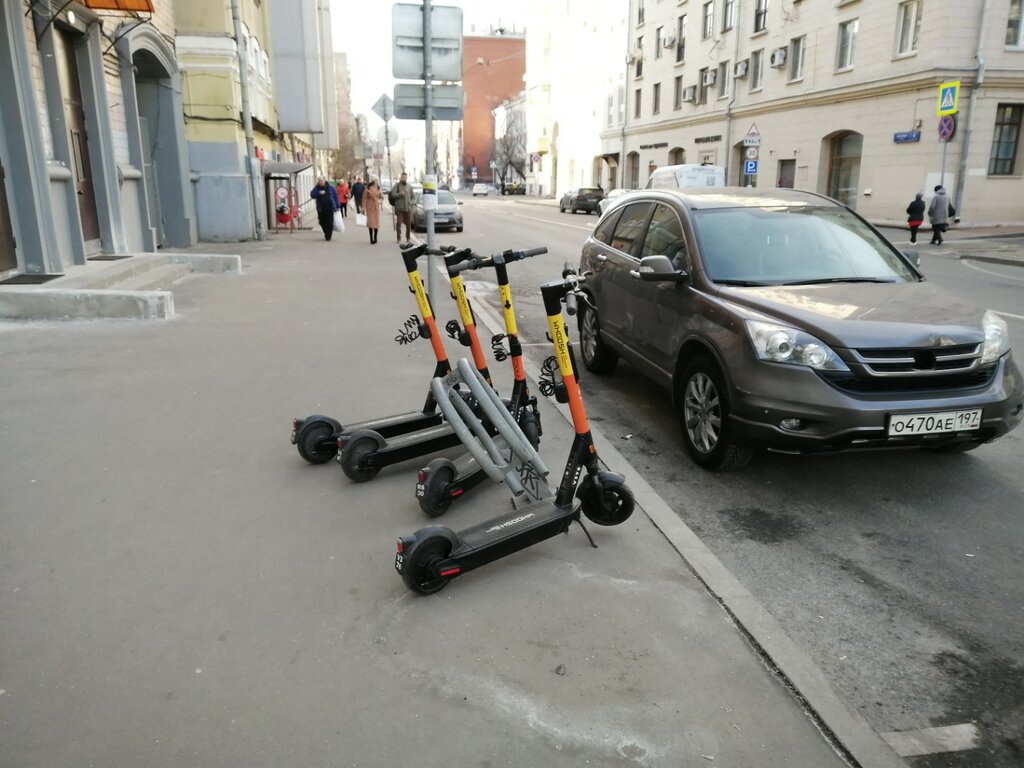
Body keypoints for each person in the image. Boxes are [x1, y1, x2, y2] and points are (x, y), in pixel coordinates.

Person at [310, 176, 339, 241]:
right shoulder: (317, 188)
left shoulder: (331, 187)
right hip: (321, 208)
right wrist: (319, 193)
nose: (320, 182)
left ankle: (328, 235)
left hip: (330, 207)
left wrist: (337, 206)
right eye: (319, 181)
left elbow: (335, 196)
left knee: (330, 222)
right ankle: (326, 231)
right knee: (322, 221)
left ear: (324, 180)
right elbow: (312, 195)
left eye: (321, 180)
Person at [389, 172, 414, 243]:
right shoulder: (397, 186)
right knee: (399, 223)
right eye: (403, 177)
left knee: (408, 223)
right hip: (399, 208)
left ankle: (408, 237)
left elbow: (413, 197)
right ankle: (399, 238)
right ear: (401, 178)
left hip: (408, 208)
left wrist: (411, 202)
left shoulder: (409, 186)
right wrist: (400, 194)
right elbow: (393, 195)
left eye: (406, 177)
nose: (404, 179)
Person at [363, 179, 383, 244]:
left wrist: (380, 199)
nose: (377, 182)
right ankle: (371, 238)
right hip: (370, 207)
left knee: (376, 223)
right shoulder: (368, 188)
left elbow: (382, 197)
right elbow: (364, 198)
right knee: (371, 223)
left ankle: (375, 238)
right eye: (376, 180)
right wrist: (363, 208)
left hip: (376, 207)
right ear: (373, 181)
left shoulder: (378, 188)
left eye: (377, 180)